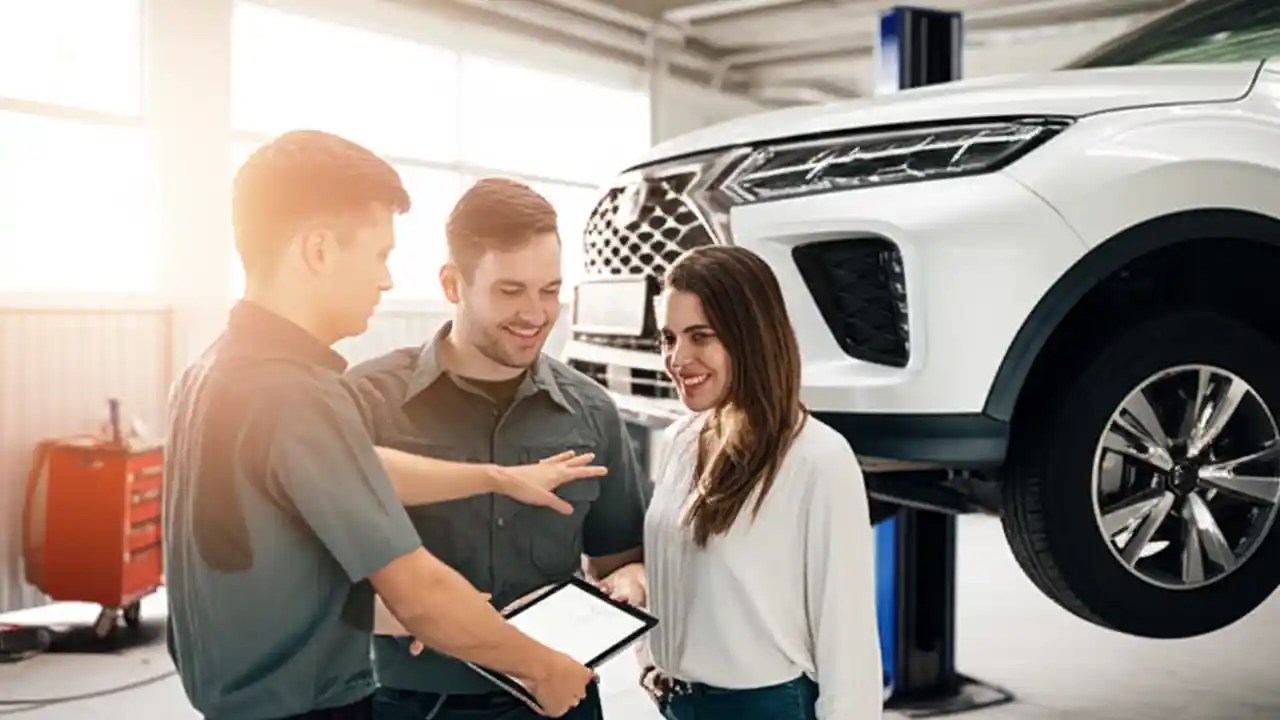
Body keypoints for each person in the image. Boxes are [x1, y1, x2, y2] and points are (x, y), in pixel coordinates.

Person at [163, 131, 598, 720]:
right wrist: (545, 668)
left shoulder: (211, 373)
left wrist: (493, 477)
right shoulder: (299, 394)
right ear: (319, 250)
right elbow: (421, 593)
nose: (386, 280)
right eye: (379, 255)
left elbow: (325, 495)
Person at [345, 177, 651, 720]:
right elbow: (308, 577)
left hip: (558, 700)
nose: (535, 313)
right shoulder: (367, 401)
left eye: (550, 290)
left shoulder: (592, 411)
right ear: (452, 284)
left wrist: (628, 587)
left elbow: (622, 564)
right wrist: (404, 612)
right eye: (510, 291)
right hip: (405, 703)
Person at [635, 245, 884, 720]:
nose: (677, 358)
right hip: (679, 704)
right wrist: (650, 661)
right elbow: (671, 570)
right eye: (669, 338)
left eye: (700, 336)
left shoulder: (818, 458)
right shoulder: (679, 441)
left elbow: (847, 633)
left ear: (750, 337)